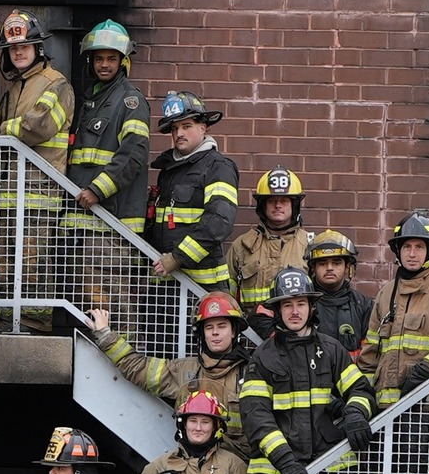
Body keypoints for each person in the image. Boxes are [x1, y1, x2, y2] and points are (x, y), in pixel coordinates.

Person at [239, 266, 376, 474]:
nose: (295, 311)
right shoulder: (263, 357)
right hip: (278, 471)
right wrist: (284, 460)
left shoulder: (331, 349)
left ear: (311, 307)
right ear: (277, 310)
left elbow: (360, 390)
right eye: (287, 304)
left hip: (331, 462)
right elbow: (256, 416)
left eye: (301, 303)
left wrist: (355, 413)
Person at [86, 291, 252, 462]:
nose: (215, 332)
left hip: (237, 467)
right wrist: (106, 335)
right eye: (209, 327)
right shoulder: (185, 371)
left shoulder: (251, 374)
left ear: (234, 332)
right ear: (202, 333)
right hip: (192, 467)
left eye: (222, 326)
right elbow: (138, 368)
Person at [0, 9, 74, 333]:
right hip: (8, 191)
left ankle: (33, 323)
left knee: (32, 262)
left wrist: (1, 128)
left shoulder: (57, 84)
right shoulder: (13, 89)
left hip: (41, 192)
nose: (19, 51)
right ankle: (1, 320)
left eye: (26, 45)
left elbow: (37, 126)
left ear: (39, 48)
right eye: (13, 48)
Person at [60, 20, 150, 318]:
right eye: (99, 58)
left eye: (111, 58)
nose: (104, 64)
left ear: (123, 62)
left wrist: (98, 190)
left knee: (113, 304)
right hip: (88, 224)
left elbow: (133, 154)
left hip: (112, 222)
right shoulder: (93, 100)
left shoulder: (130, 101)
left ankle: (122, 364)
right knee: (92, 304)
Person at [356, 213, 429, 408]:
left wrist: (425, 371)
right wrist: (363, 403)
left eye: (419, 247)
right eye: (406, 247)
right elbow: (370, 356)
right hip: (386, 412)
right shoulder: (386, 293)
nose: (412, 254)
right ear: (398, 251)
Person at [148, 91, 239, 294]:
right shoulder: (168, 170)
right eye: (174, 128)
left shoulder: (218, 167)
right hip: (166, 285)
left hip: (203, 287)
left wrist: (177, 258)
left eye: (186, 126)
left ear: (203, 128)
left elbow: (219, 222)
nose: (179, 133)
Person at [226, 168, 312, 335]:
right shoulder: (241, 246)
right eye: (272, 200)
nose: (278, 205)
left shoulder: (309, 245)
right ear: (262, 206)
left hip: (297, 337)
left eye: (284, 201)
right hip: (251, 336)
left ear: (293, 205)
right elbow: (226, 294)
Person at [308, 230, 373, 353]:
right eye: (322, 263)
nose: (329, 268)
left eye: (336, 263)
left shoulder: (364, 305)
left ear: (347, 267)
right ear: (313, 268)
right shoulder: (304, 304)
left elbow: (370, 354)